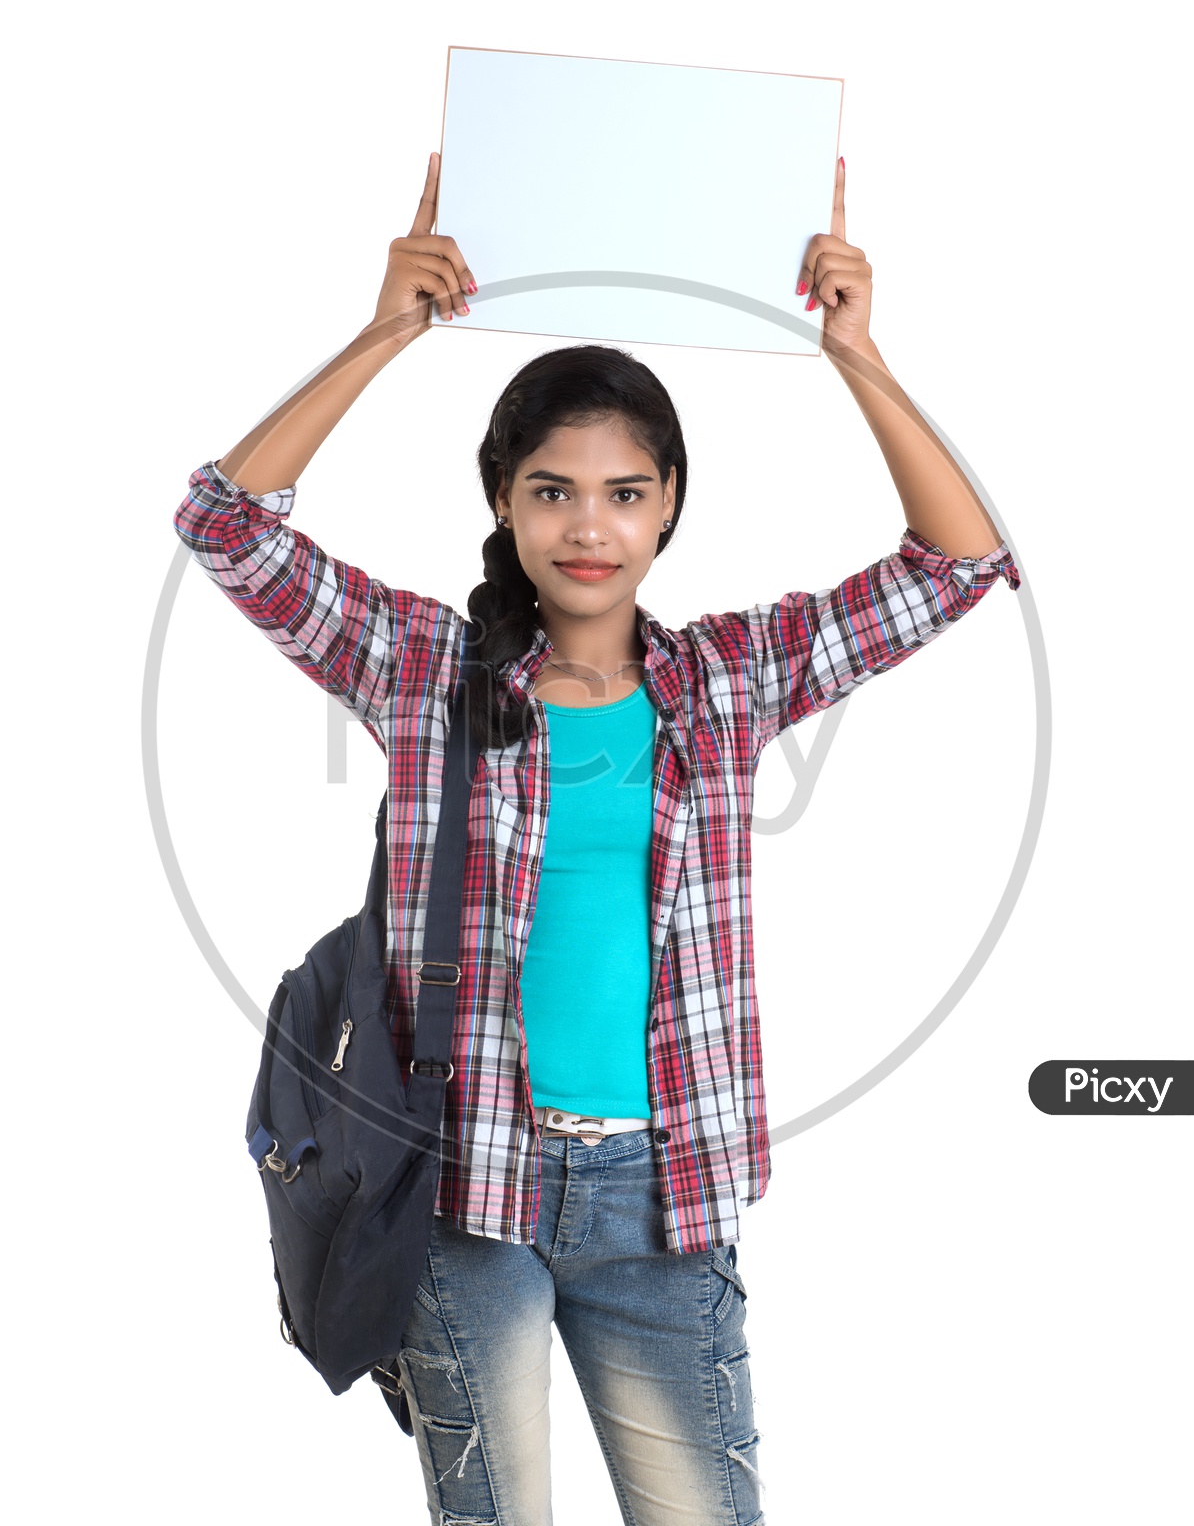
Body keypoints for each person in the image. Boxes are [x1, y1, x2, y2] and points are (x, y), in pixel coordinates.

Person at [174, 149, 1020, 1526]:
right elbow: (224, 523)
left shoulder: (727, 680)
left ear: (669, 503)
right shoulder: (423, 671)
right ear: (503, 500)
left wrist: (855, 355)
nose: (589, 525)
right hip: (467, 1191)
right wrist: (385, 329)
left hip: (663, 1196)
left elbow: (959, 564)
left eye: (625, 491)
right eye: (554, 489)